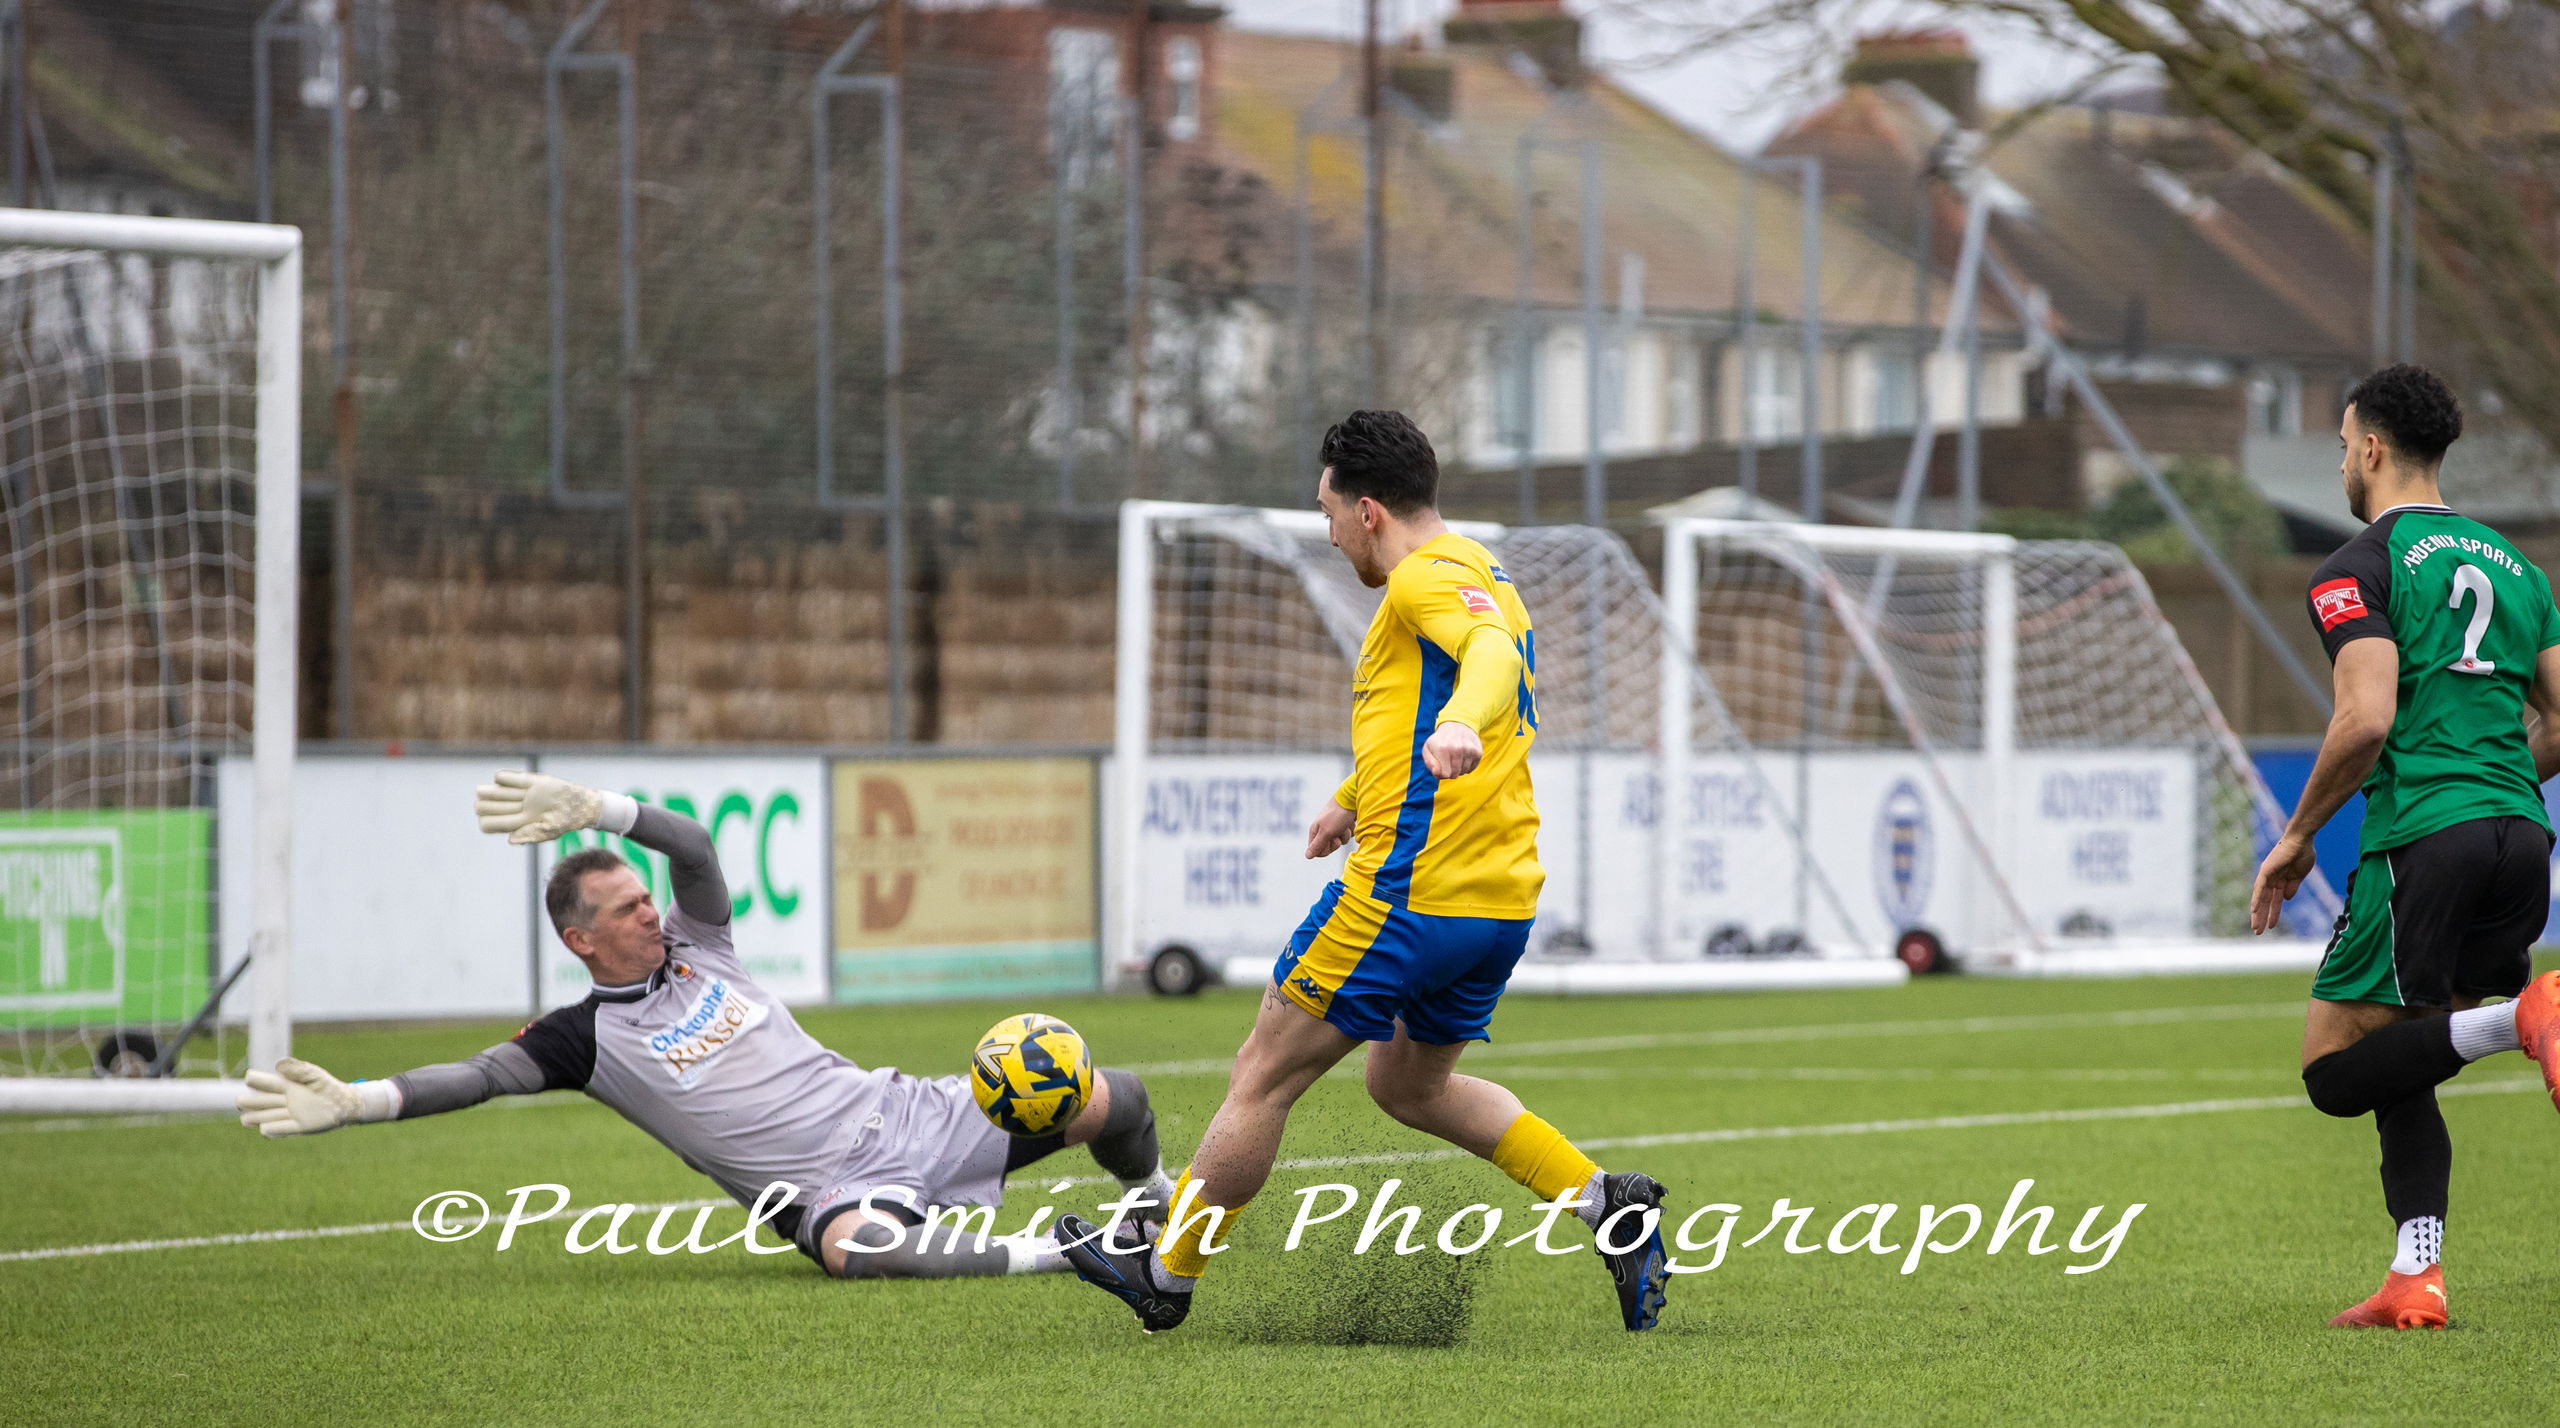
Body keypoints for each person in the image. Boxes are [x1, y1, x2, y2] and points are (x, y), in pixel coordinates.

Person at [1055, 410, 1672, 1333]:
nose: (1328, 530)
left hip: (1409, 898)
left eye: (1329, 511)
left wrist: (1461, 722)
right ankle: (1605, 1204)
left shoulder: (1427, 578)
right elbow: (1444, 688)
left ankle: (1166, 1271)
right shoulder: (1486, 574)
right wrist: (1353, 791)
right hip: (1499, 901)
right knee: (1407, 1088)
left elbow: (1488, 665)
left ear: (1371, 509)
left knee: (1261, 1075)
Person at [235, 770, 1176, 1280]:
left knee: (1115, 1099)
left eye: (647, 900)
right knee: (855, 1251)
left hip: (912, 1114)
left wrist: (598, 808)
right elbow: (477, 1077)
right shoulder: (581, 1040)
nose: (650, 912)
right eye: (625, 909)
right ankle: (1068, 1254)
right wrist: (359, 1099)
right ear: (580, 938)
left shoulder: (703, 942)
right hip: (829, 1191)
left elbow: (692, 844)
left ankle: (1159, 1199)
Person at [2250, 363, 2560, 1329]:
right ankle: (2413, 1275)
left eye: (2344, 445)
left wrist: (2298, 837)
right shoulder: (2521, 569)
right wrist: (2498, 781)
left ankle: (2526, 1019)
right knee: (2411, 1051)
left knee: (2334, 1071)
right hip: (2522, 837)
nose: (2344, 461)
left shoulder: (2359, 568)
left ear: (2373, 449)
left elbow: (2365, 720)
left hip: (2423, 840)